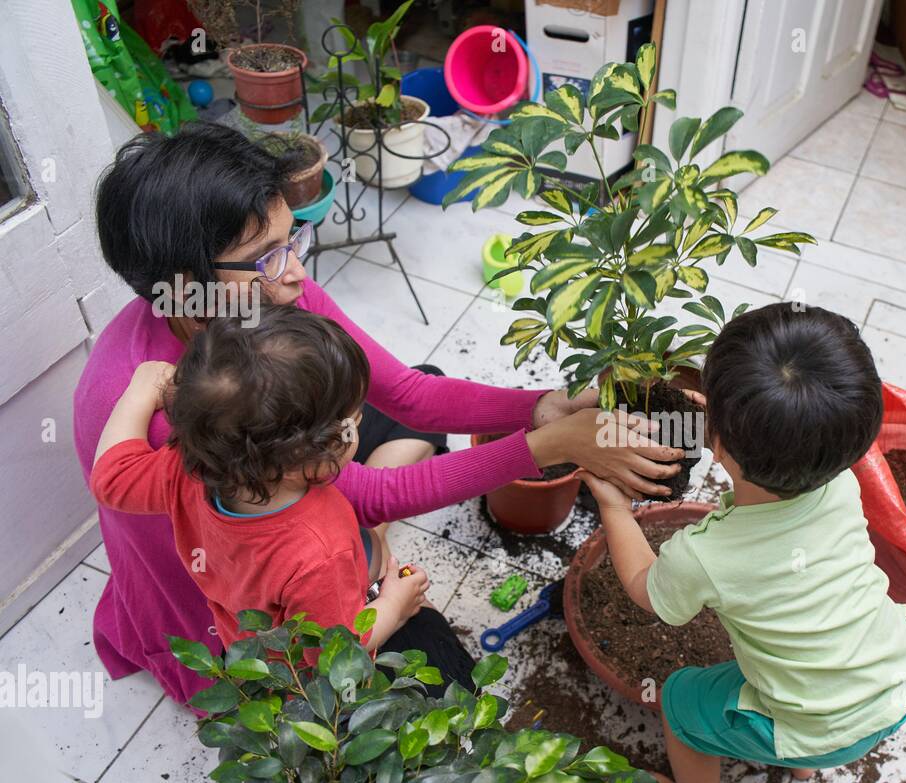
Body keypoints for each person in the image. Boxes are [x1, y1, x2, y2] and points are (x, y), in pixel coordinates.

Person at [74, 122, 681, 704]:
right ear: (184, 284)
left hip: (274, 477)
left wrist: (541, 408)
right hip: (238, 613)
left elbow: (409, 393)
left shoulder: (267, 304)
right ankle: (361, 551)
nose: (295, 274)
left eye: (295, 240)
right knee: (444, 681)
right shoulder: (164, 411)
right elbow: (375, 494)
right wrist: (554, 446)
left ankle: (364, 540)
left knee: (420, 395)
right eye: (266, 258)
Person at [580, 303, 906, 783]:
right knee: (802, 634)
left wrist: (613, 506)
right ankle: (802, 765)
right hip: (892, 684)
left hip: (816, 723)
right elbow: (769, 450)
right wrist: (723, 422)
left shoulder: (705, 556)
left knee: (680, 699)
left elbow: (646, 590)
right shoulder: (840, 482)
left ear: (716, 442)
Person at [89, 308, 475, 686]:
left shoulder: (188, 468)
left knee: (421, 392)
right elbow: (336, 660)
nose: (357, 427)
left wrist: (141, 390)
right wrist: (394, 606)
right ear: (322, 462)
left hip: (252, 630)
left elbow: (111, 477)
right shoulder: (321, 554)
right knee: (453, 672)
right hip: (300, 671)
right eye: (352, 423)